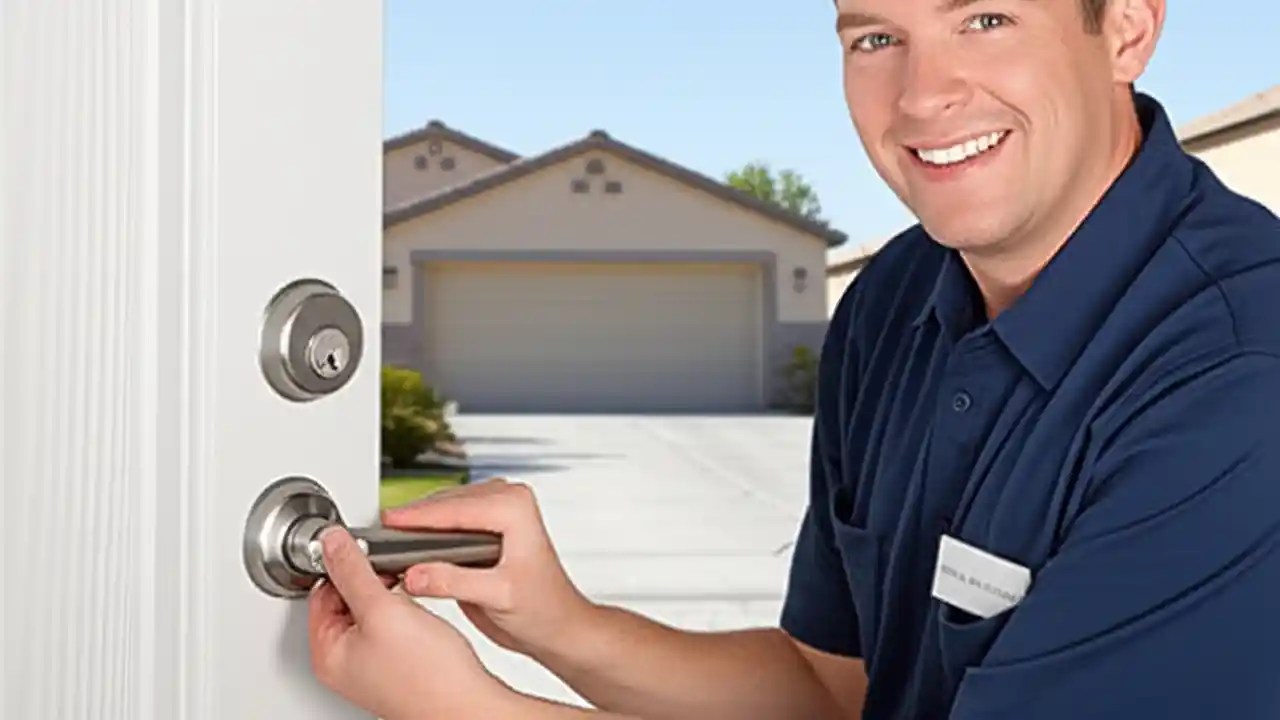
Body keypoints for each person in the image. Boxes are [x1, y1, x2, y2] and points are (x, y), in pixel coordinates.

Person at [309, 0, 1280, 717]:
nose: (921, 95)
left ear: (1125, 29)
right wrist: (559, 623)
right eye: (872, 39)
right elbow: (829, 688)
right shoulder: (893, 303)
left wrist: (469, 711)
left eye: (982, 19)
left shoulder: (1239, 369)